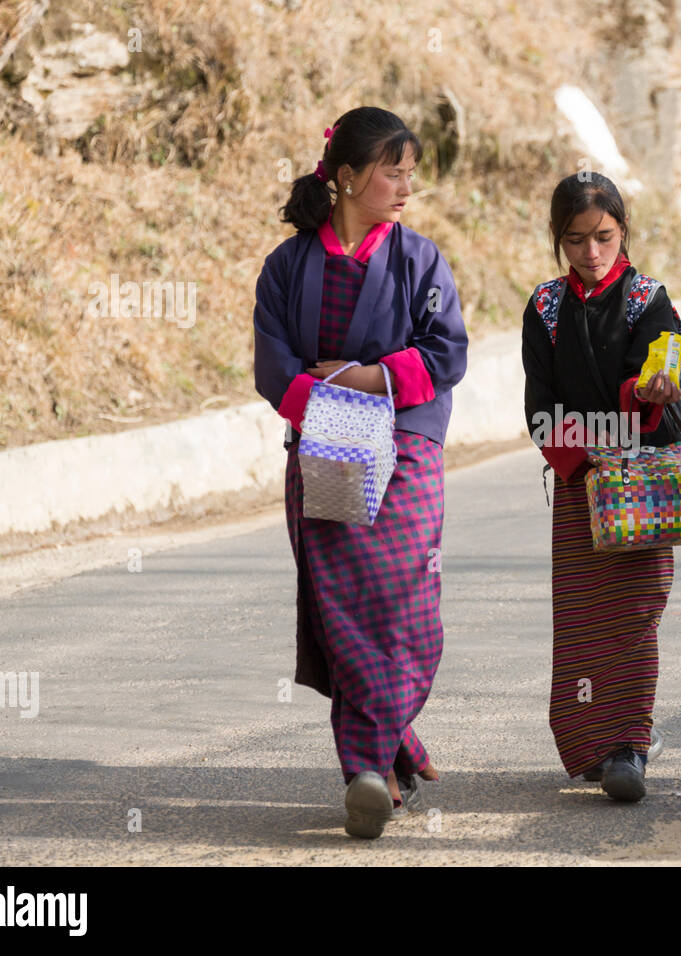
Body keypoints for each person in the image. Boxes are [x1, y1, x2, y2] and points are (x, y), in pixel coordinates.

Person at [252, 107, 468, 839]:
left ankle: (390, 730)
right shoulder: (287, 267)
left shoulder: (420, 261)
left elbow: (448, 355)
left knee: (408, 610)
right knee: (345, 614)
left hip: (407, 450)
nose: (408, 185)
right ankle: (367, 771)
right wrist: (330, 403)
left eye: (411, 171)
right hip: (323, 452)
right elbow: (273, 367)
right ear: (346, 177)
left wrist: (370, 379)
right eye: (393, 171)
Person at [521, 172, 681, 802]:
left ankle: (628, 743)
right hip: (581, 484)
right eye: (575, 240)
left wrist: (652, 392)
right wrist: (587, 454)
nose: (591, 254)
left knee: (634, 613)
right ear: (558, 240)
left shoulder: (648, 299)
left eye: (602, 237)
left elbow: (659, 374)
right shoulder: (544, 309)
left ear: (623, 231)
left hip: (643, 484)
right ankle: (590, 745)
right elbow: (539, 407)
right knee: (579, 617)